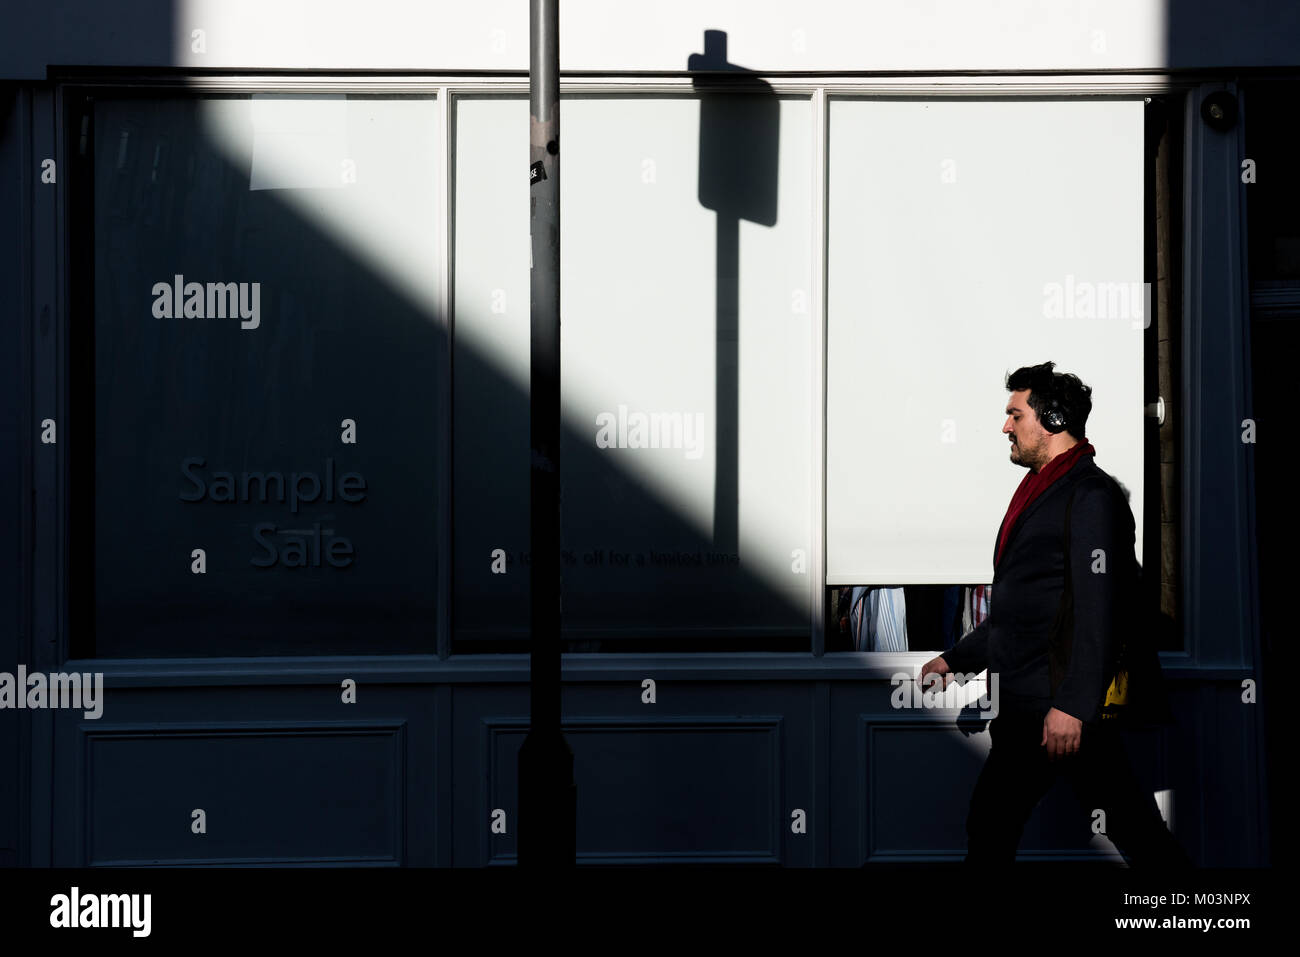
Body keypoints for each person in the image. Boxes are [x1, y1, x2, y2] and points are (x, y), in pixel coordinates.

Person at [920, 361, 1191, 866]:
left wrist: (1073, 707)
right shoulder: (1045, 490)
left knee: (996, 827)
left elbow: (1099, 610)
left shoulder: (1089, 495)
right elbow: (1027, 606)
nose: (1005, 426)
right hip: (1033, 704)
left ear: (1053, 417)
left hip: (1055, 706)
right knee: (1126, 828)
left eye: (1014, 415)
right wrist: (957, 659)